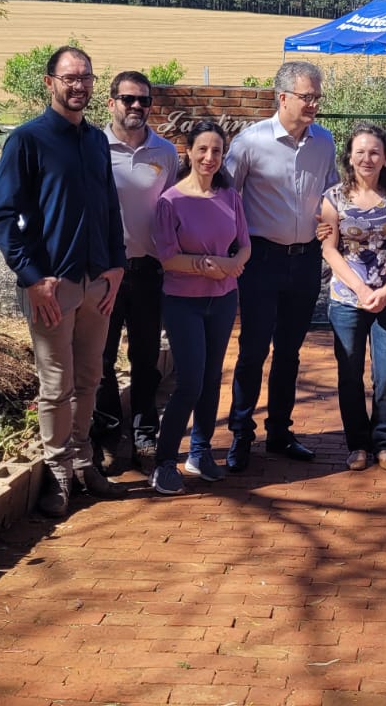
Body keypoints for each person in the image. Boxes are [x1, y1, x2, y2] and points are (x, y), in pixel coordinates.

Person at [0, 45, 127, 517]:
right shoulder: (27, 140)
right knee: (56, 385)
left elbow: (109, 206)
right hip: (51, 286)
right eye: (70, 77)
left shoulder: (96, 141)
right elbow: (2, 216)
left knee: (91, 379)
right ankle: (58, 472)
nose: (79, 85)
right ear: (50, 82)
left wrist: (116, 266)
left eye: (85, 77)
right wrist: (31, 278)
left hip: (96, 282)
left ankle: (85, 463)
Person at [223, 60, 338, 471]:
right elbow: (226, 198)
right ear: (283, 97)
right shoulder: (249, 142)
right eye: (307, 97)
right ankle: (240, 434)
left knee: (289, 352)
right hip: (261, 260)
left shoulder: (324, 142)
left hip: (305, 260)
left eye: (317, 97)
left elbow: (331, 192)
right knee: (253, 350)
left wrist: (330, 229)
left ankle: (280, 433)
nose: (314, 104)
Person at [149, 121, 250, 495]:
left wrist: (232, 264)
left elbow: (245, 245)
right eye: (203, 149)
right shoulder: (170, 201)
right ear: (189, 152)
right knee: (190, 381)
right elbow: (167, 257)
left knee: (210, 378)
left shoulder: (230, 197)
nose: (210, 157)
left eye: (217, 151)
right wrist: (210, 265)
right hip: (183, 302)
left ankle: (200, 452)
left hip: (222, 300)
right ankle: (164, 462)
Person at [93, 70, 177, 474]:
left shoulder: (165, 152)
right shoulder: (93, 147)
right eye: (129, 99)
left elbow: (172, 208)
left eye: (144, 100)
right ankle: (111, 436)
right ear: (111, 102)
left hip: (148, 272)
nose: (137, 106)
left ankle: (145, 436)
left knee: (145, 360)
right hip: (103, 273)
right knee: (101, 359)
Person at [320, 123, 386, 472]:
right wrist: (361, 290)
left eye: (375, 152)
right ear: (349, 157)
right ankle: (357, 444)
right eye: (360, 152)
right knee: (350, 373)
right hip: (347, 300)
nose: (367, 158)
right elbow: (329, 249)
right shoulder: (333, 197)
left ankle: (383, 443)